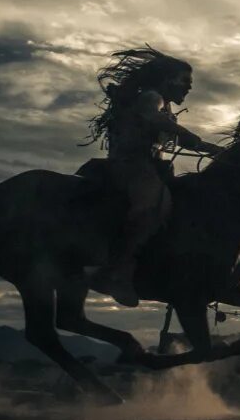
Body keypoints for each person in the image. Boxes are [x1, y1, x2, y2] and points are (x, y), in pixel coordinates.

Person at [83, 46, 222, 307]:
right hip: (131, 165)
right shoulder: (151, 97)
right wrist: (192, 138)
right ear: (168, 79)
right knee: (150, 205)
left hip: (152, 166)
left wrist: (207, 147)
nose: (189, 88)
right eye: (185, 82)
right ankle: (116, 269)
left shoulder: (162, 102)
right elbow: (152, 118)